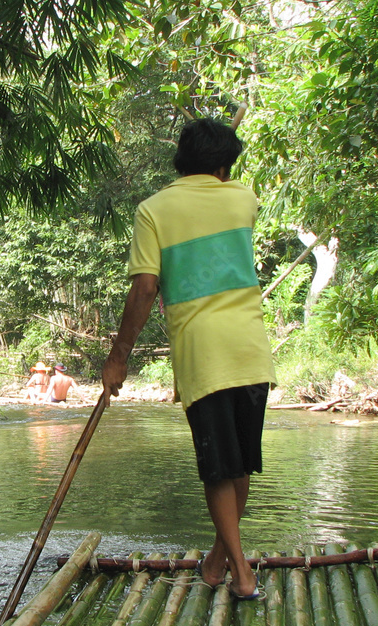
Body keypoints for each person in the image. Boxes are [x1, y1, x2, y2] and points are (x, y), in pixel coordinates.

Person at [101, 117, 276, 600]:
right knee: (239, 466)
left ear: (181, 159)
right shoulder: (244, 200)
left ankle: (240, 572)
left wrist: (119, 357)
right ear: (223, 164)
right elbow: (226, 191)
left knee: (218, 468)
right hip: (251, 349)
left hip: (203, 353)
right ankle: (219, 561)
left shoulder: (153, 210)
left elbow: (145, 288)